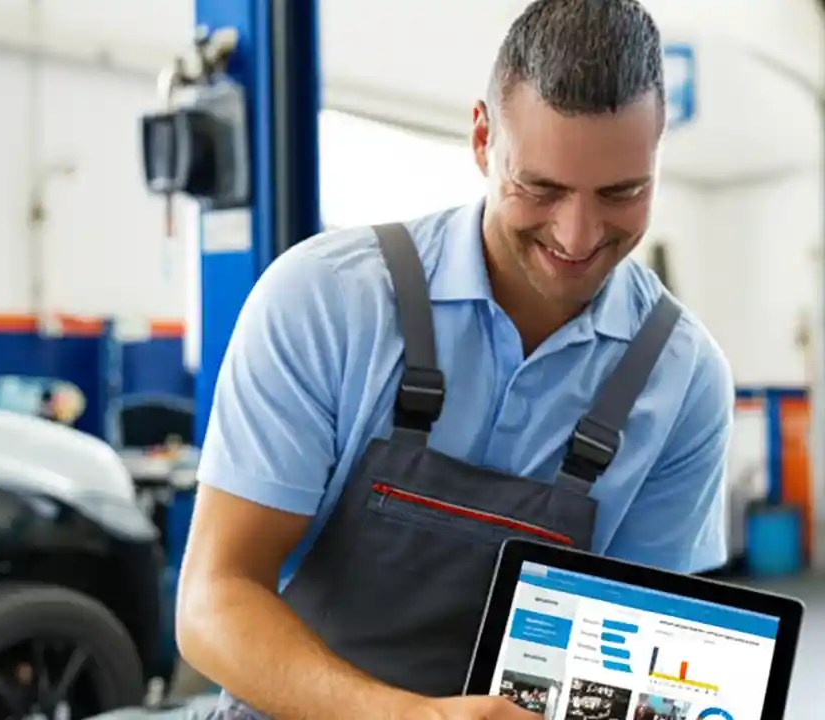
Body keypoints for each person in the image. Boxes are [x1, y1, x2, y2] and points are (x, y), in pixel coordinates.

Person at [174, 2, 733, 718]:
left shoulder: (683, 382)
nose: (578, 234)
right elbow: (213, 598)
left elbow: (640, 663)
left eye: (621, 193)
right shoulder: (326, 301)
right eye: (542, 188)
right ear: (481, 140)